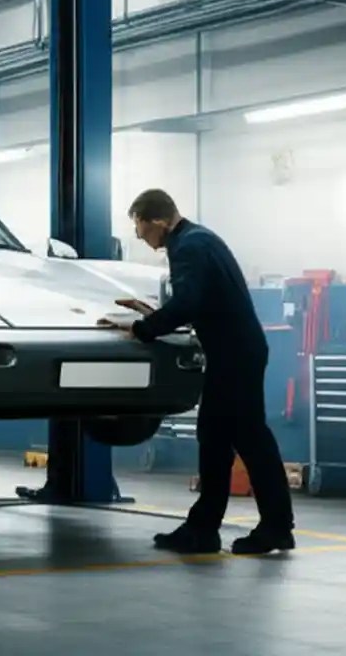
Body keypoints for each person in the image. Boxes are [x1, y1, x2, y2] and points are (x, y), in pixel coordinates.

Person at [111, 189, 295, 556]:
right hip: (239, 350)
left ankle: (240, 528)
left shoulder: (188, 247)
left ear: (158, 221)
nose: (141, 238)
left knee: (238, 438)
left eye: (141, 228)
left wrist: (142, 329)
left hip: (233, 355)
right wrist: (156, 313)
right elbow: (199, 300)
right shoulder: (201, 239)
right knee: (224, 438)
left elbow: (188, 302)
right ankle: (219, 527)